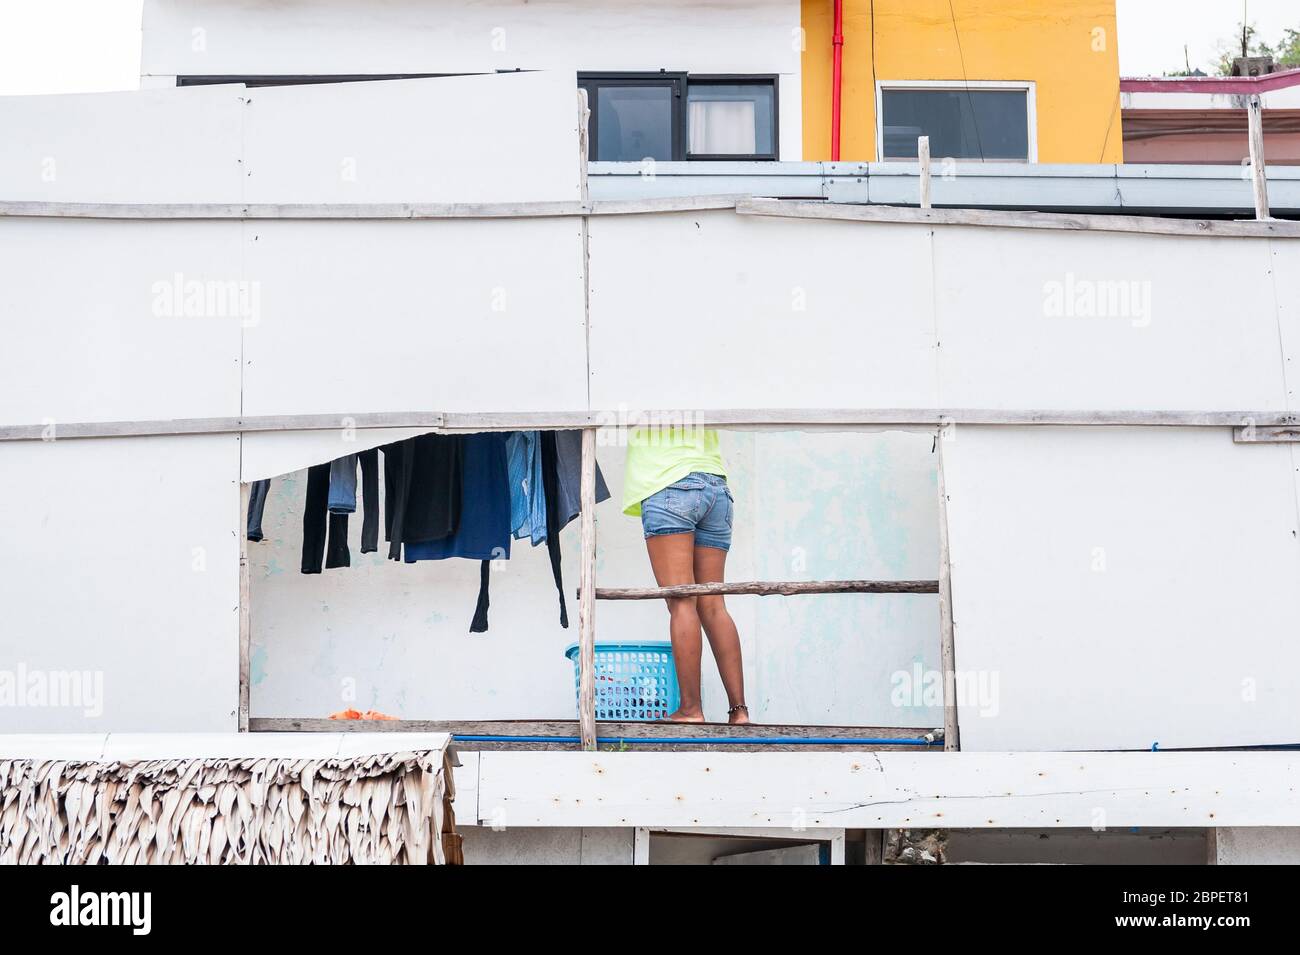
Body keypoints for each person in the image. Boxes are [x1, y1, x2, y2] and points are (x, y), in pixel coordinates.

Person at [624, 424, 748, 724]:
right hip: (716, 487)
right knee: (714, 605)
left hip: (668, 482)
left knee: (682, 602)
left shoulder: (635, 380)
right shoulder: (698, 379)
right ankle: (739, 712)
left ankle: (691, 710)